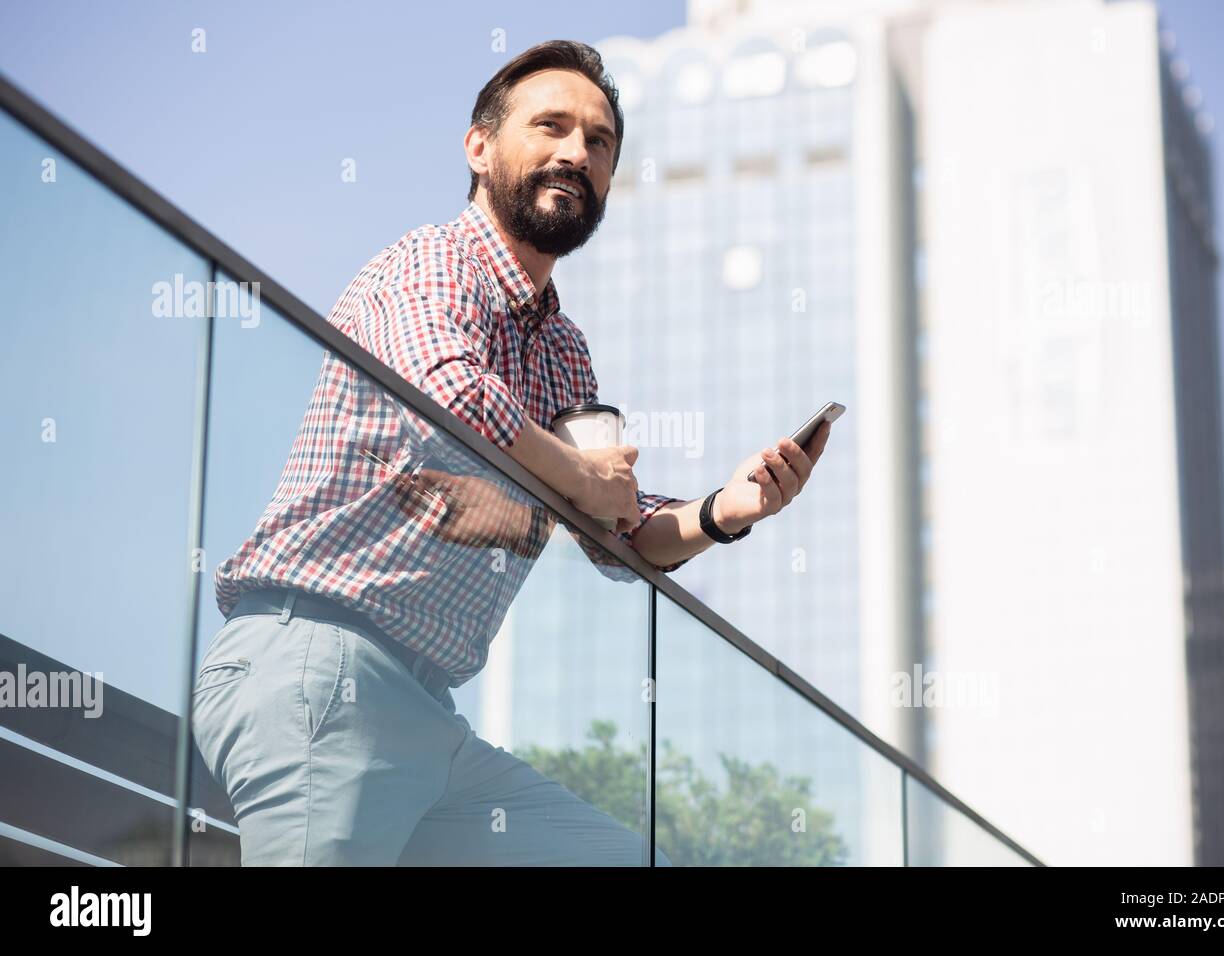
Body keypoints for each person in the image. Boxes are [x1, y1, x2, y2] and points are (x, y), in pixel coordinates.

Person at [190, 39, 832, 866]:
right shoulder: (433, 261)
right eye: (552, 126)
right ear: (479, 146)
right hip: (320, 664)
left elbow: (614, 536)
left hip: (430, 719)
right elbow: (446, 391)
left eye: (599, 143)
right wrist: (580, 480)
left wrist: (725, 510)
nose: (577, 152)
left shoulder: (565, 351)